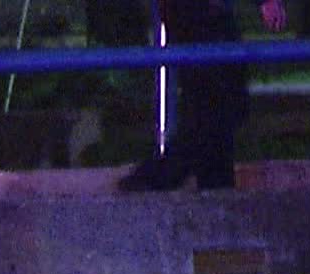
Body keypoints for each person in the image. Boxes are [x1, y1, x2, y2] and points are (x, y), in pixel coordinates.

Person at [120, 0, 287, 192]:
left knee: (214, 104)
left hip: (196, 13)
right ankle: (162, 177)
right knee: (217, 105)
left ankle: (205, 184)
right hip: (200, 13)